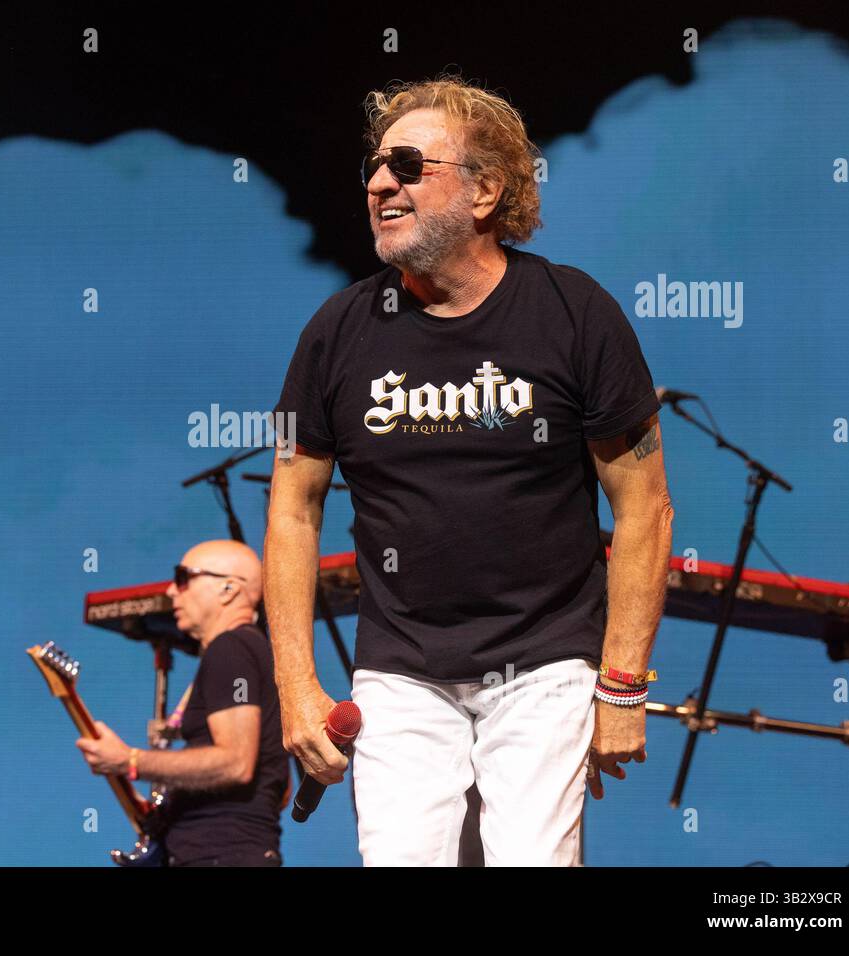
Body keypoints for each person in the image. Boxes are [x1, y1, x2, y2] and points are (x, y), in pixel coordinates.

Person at [265, 74, 674, 866]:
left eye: (409, 165)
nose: (382, 182)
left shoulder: (576, 312)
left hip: (547, 663)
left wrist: (622, 687)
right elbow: (292, 508)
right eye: (375, 168)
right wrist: (296, 685)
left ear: (484, 190)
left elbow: (645, 508)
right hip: (400, 670)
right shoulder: (335, 331)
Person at [76, 539, 289, 866]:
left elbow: (235, 762)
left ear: (228, 589)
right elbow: (280, 786)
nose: (172, 591)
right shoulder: (252, 652)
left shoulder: (230, 649)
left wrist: (129, 760)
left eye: (183, 577)